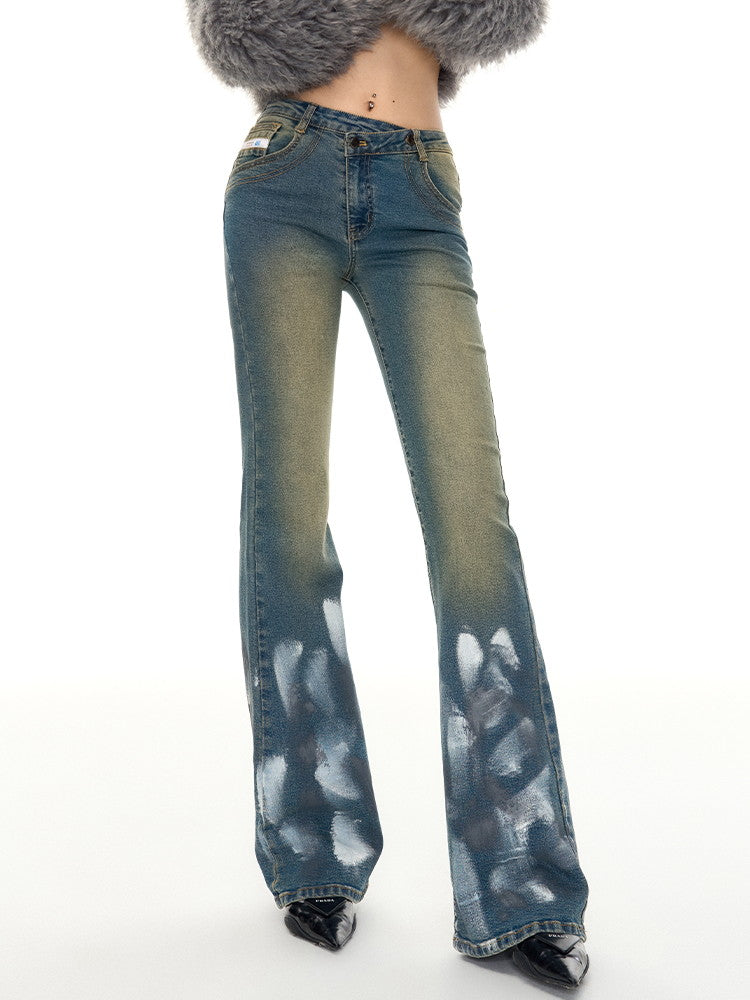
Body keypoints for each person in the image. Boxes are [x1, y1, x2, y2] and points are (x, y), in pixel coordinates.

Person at [185, 2, 590, 989]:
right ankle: (313, 854)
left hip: (416, 187)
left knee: (472, 524)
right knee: (288, 518)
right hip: (284, 174)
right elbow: (230, 26)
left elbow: (504, 18)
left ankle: (521, 891)